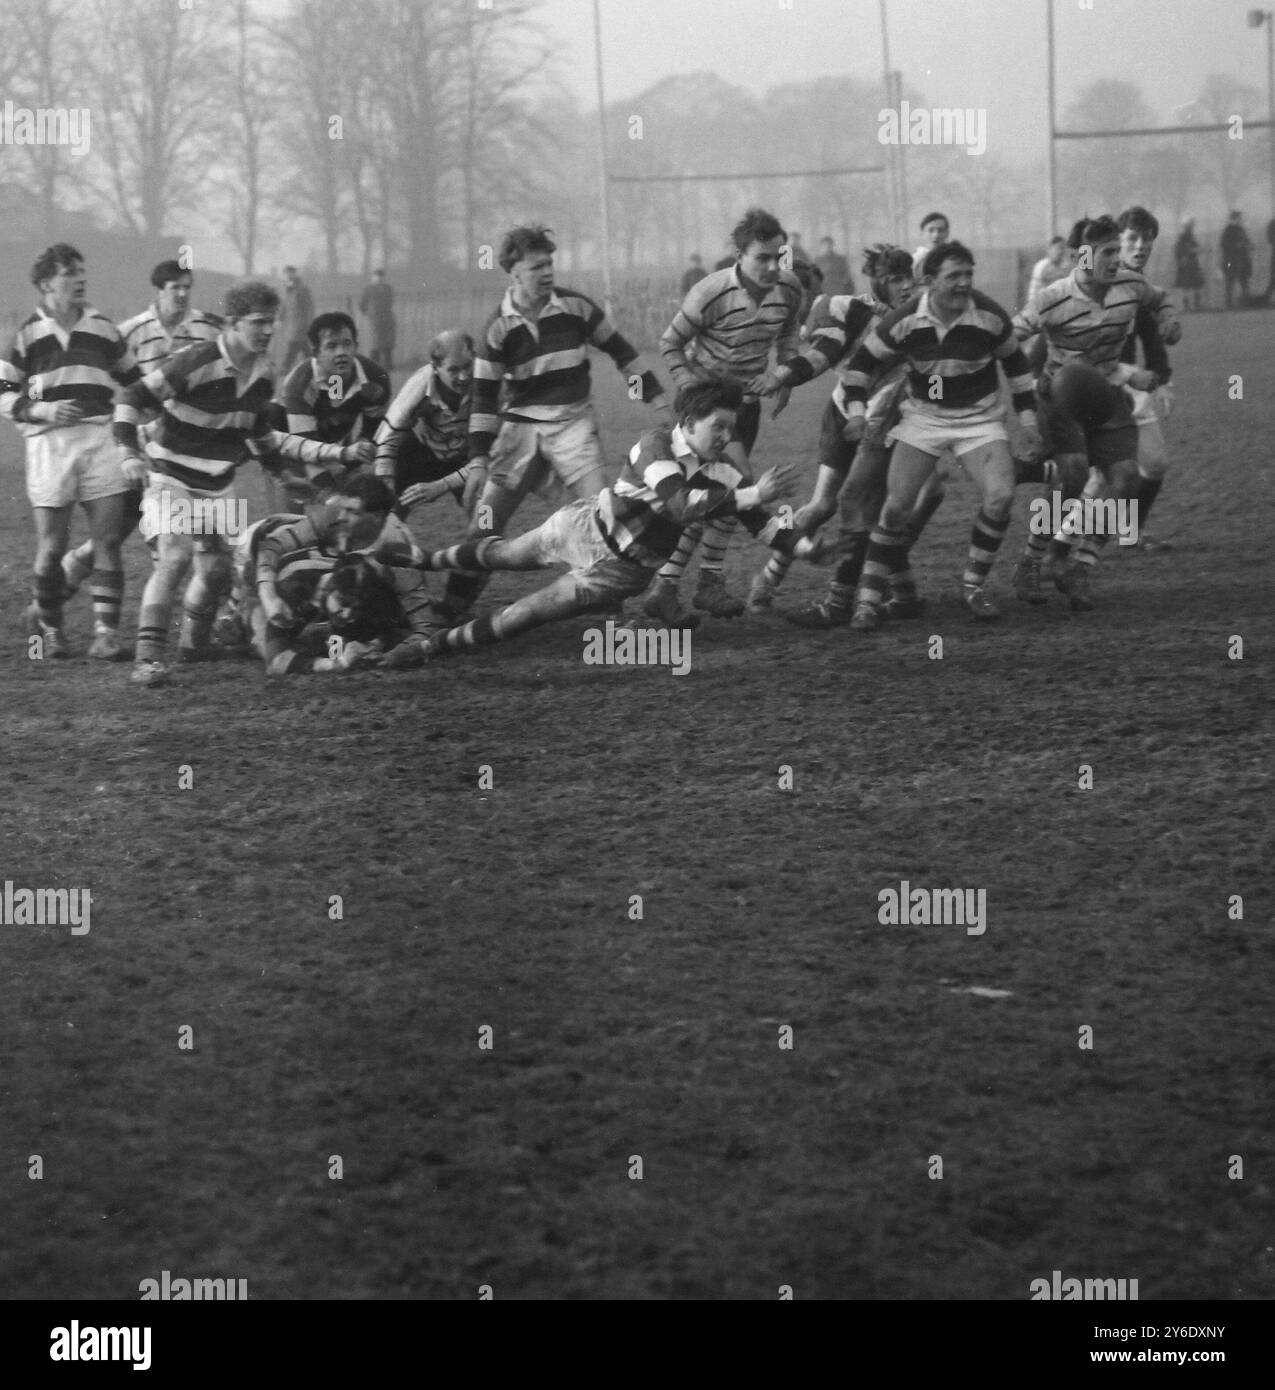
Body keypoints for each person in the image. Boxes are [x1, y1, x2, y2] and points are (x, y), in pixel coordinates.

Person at [405, 379, 821, 663]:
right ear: (690, 424)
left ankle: (431, 646)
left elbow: (765, 526)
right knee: (502, 554)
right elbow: (679, 504)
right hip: (581, 528)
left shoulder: (725, 474)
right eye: (720, 427)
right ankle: (424, 560)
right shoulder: (653, 445)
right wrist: (753, 494)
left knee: (523, 615)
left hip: (620, 573)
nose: (727, 437)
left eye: (731, 429)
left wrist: (808, 548)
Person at [113, 278, 375, 687]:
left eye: (272, 322)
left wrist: (279, 471)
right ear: (232, 323)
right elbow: (130, 398)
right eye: (258, 322)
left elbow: (256, 430)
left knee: (217, 572)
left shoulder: (263, 373)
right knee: (176, 556)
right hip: (170, 475)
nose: (269, 331)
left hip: (218, 483)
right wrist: (129, 452)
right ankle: (147, 660)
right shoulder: (195, 361)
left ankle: (192, 647)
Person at [440, 223, 670, 621]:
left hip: (573, 425)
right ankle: (450, 610)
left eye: (549, 264)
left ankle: (610, 620)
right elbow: (483, 397)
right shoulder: (497, 327)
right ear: (513, 272)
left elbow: (621, 352)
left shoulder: (576, 307)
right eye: (536, 267)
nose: (547, 273)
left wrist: (654, 395)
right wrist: (478, 459)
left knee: (604, 524)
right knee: (485, 523)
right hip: (519, 433)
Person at [840, 240, 1042, 628]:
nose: (964, 283)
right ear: (929, 281)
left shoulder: (989, 315)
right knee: (896, 507)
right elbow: (860, 366)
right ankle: (867, 600)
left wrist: (1029, 422)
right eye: (954, 276)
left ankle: (974, 587)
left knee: (1000, 498)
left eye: (969, 274)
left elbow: (1017, 366)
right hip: (923, 420)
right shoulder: (903, 320)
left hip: (980, 420)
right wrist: (856, 411)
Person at [745, 243, 943, 625]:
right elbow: (822, 353)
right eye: (895, 279)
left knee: (919, 495)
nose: (905, 286)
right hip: (845, 415)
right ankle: (768, 581)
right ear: (877, 282)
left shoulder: (918, 316)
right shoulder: (844, 307)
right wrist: (783, 377)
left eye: (908, 278)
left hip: (892, 418)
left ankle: (892, 582)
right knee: (826, 505)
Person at [1009, 215, 1174, 611]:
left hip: (1107, 392)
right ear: (1082, 256)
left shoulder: (1130, 287)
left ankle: (1080, 566)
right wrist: (1026, 394)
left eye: (1118, 250)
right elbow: (1010, 338)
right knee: (1073, 475)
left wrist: (1169, 319)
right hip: (1060, 399)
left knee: (1127, 478)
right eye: (1108, 252)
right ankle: (1031, 562)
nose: (1116, 259)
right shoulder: (1053, 299)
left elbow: (1160, 297)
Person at [649, 206, 804, 622]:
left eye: (779, 256)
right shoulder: (709, 293)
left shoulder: (790, 289)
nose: (773, 266)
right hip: (708, 414)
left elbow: (789, 331)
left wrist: (784, 374)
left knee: (717, 498)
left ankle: (671, 586)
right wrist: (694, 392)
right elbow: (670, 343)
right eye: (763, 258)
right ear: (740, 256)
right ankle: (700, 584)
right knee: (739, 485)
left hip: (744, 410)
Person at [0, 243, 142, 660]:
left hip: (99, 439)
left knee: (108, 541)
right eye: (69, 273)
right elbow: (2, 393)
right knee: (52, 547)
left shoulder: (102, 328)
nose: (80, 278)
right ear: (46, 283)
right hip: (49, 444)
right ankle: (50, 629)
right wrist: (42, 409)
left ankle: (106, 635)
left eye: (82, 270)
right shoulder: (25, 334)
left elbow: (135, 382)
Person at [232, 475, 431, 675]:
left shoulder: (399, 552)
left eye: (352, 512)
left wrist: (374, 648)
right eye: (343, 508)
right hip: (257, 548)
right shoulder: (302, 582)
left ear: (378, 516)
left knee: (366, 615)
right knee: (260, 644)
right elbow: (270, 547)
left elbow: (424, 627)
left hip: (339, 574)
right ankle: (237, 610)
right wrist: (269, 597)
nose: (341, 516)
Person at [263, 311, 390, 507]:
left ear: (356, 346)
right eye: (331, 346)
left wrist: (351, 463)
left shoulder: (376, 380)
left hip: (329, 438)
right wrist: (329, 493)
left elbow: (370, 433)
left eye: (347, 344)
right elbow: (305, 449)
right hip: (289, 445)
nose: (341, 352)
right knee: (297, 515)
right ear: (315, 353)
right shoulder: (299, 383)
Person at [373, 330, 476, 527]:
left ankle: (488, 539)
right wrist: (385, 488)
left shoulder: (488, 383)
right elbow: (388, 440)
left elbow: (491, 457)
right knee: (389, 505)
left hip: (472, 458)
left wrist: (440, 486)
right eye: (453, 370)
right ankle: (386, 535)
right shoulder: (419, 385)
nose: (463, 377)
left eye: (468, 366)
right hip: (430, 453)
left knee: (485, 512)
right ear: (435, 368)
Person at [275, 265, 314, 374]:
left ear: (293, 274)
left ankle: (284, 367)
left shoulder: (302, 288)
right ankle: (314, 365)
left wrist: (309, 322)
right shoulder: (288, 289)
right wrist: (279, 319)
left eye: (288, 274)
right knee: (302, 346)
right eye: (285, 274)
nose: (286, 277)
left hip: (301, 324)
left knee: (294, 345)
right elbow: (284, 305)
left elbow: (309, 307)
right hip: (292, 324)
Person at [358, 269, 396, 370]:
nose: (379, 279)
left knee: (388, 342)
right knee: (375, 343)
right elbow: (362, 304)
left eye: (381, 277)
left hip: (387, 318)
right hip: (374, 319)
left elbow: (390, 301)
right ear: (373, 278)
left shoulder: (388, 289)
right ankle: (374, 365)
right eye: (377, 277)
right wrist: (369, 314)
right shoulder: (368, 289)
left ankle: (388, 364)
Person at [1219, 211, 1252, 309]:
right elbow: (1224, 244)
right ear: (1234, 218)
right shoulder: (1228, 230)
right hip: (1230, 260)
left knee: (1243, 280)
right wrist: (1236, 245)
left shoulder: (1241, 229)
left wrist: (1249, 245)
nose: (1240, 220)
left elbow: (1246, 240)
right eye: (1238, 218)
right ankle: (1229, 303)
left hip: (1242, 260)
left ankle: (1245, 302)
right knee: (1230, 281)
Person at [1173, 219, 1204, 312]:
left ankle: (1197, 305)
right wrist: (1188, 252)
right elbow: (1179, 251)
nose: (1191, 228)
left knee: (1197, 284)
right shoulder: (1182, 238)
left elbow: (1196, 247)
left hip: (1193, 264)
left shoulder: (1191, 237)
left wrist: (1197, 250)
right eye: (1190, 226)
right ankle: (1187, 306)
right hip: (1186, 265)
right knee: (1186, 285)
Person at [1027, 236, 1071, 302]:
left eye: (1063, 248)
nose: (1060, 251)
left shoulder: (1066, 267)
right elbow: (1035, 289)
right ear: (1050, 250)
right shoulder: (1041, 266)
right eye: (1057, 248)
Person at [912, 212, 950, 281]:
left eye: (940, 230)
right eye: (931, 230)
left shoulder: (952, 258)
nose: (936, 235)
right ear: (922, 233)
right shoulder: (915, 261)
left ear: (947, 233)